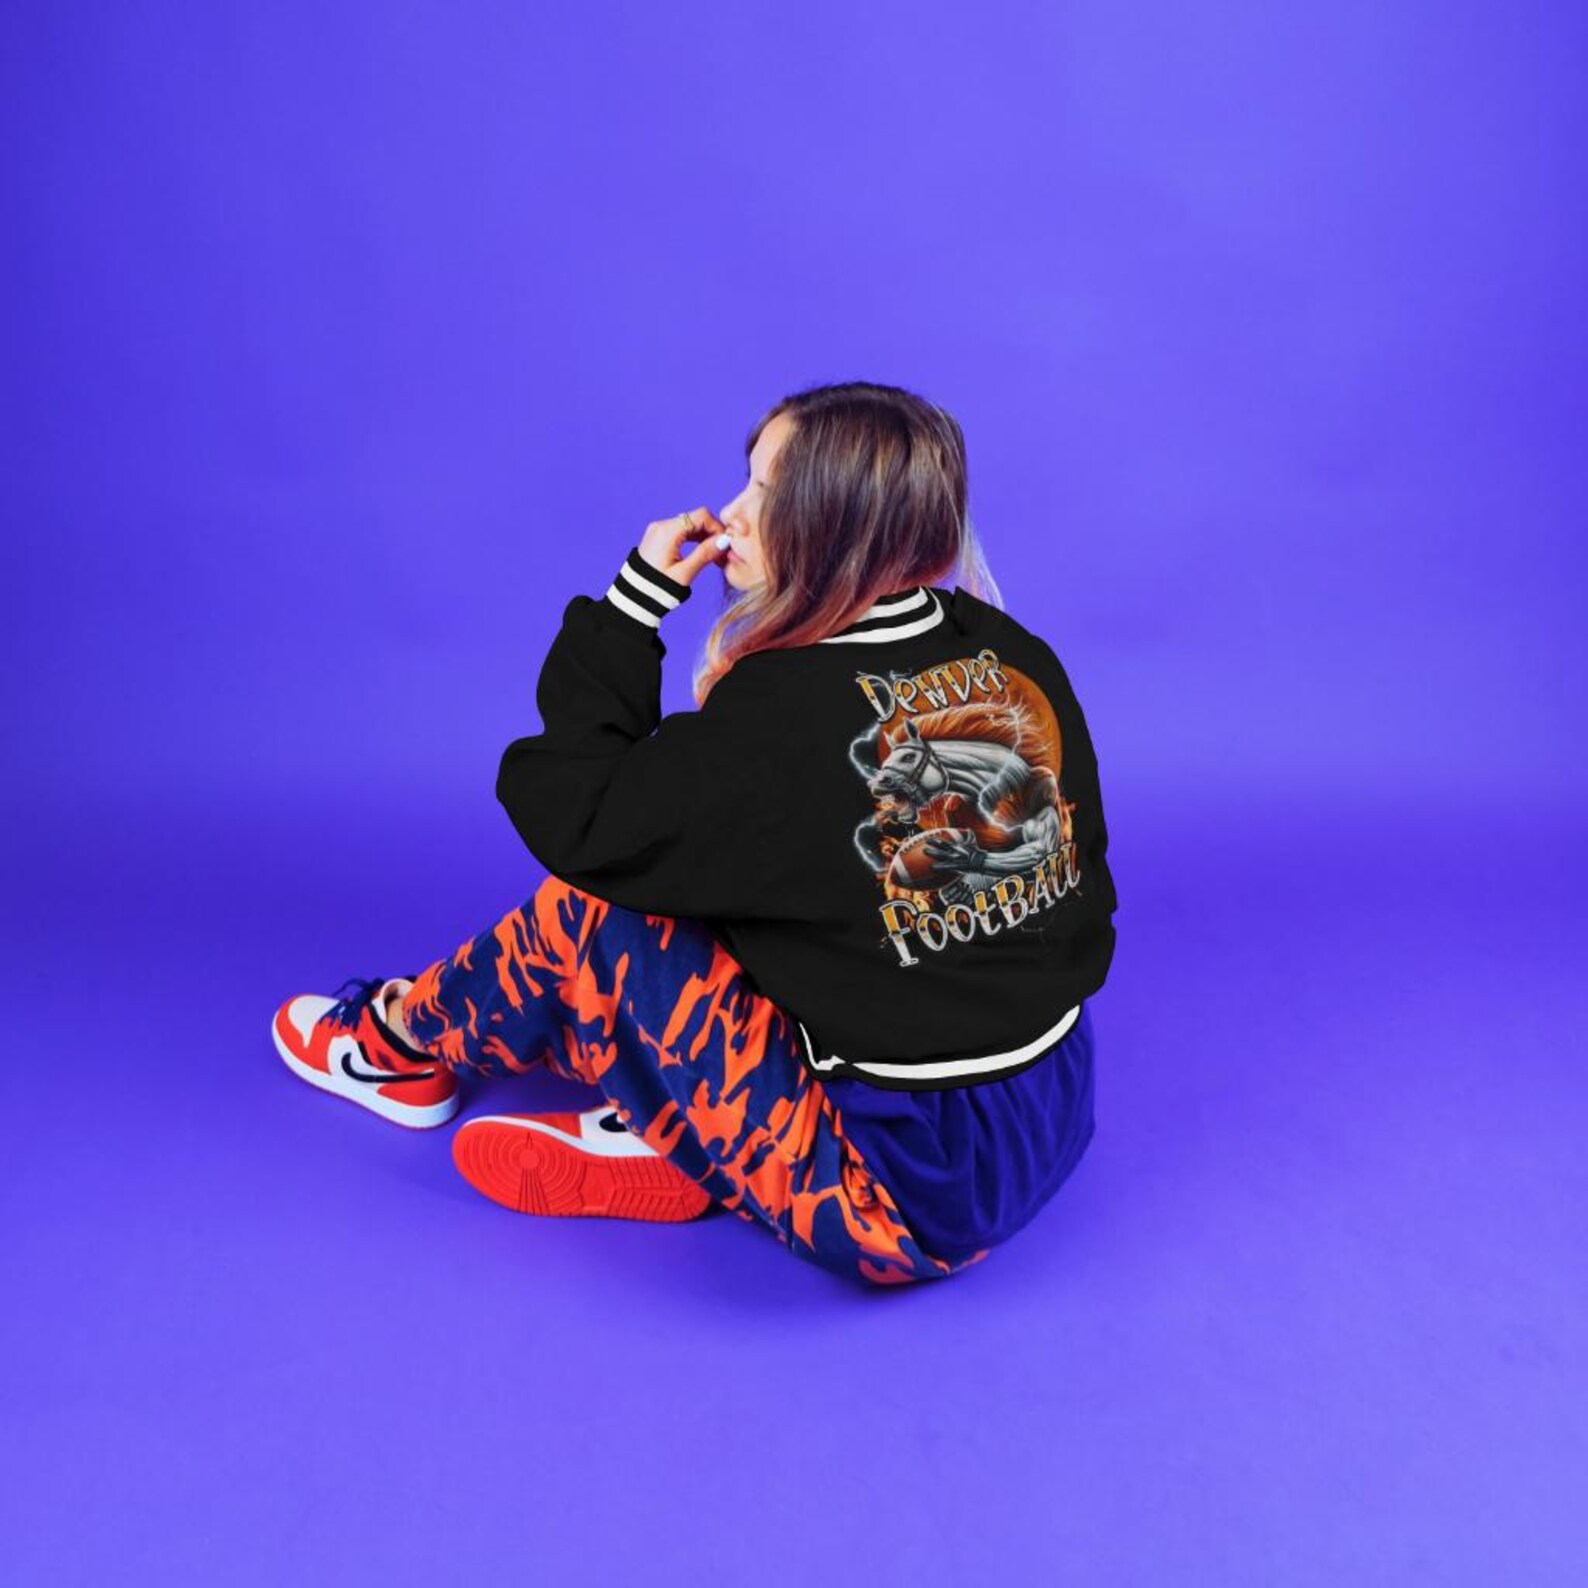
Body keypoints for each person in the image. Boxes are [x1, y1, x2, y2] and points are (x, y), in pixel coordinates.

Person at [271, 381, 1117, 1287]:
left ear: (838, 527)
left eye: (768, 495)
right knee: (742, 872)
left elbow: (578, 814)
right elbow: (1081, 892)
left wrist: (633, 605)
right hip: (1052, 1117)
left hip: (902, 1204)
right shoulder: (1009, 650)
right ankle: (676, 1127)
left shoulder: (785, 711)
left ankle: (398, 1045)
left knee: (597, 912)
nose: (732, 514)